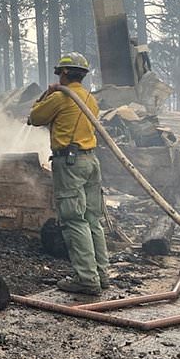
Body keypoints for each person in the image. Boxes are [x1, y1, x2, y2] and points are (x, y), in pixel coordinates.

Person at [26, 52, 110, 295]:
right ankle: (101, 275)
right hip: (91, 162)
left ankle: (86, 279)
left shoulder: (61, 97)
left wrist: (48, 93)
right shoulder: (89, 99)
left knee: (74, 220)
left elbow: (34, 117)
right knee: (93, 219)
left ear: (63, 73)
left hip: (70, 164)